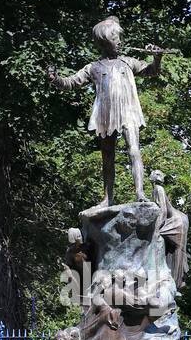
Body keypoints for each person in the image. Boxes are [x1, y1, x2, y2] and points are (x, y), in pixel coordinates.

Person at [48, 16, 164, 206]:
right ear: (103, 41)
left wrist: (157, 58)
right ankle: (107, 198)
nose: (119, 41)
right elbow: (71, 82)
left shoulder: (128, 62)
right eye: (115, 38)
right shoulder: (93, 67)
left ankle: (140, 193)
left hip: (128, 111)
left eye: (119, 38)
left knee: (134, 150)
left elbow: (151, 71)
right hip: (105, 114)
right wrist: (55, 79)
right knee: (107, 156)